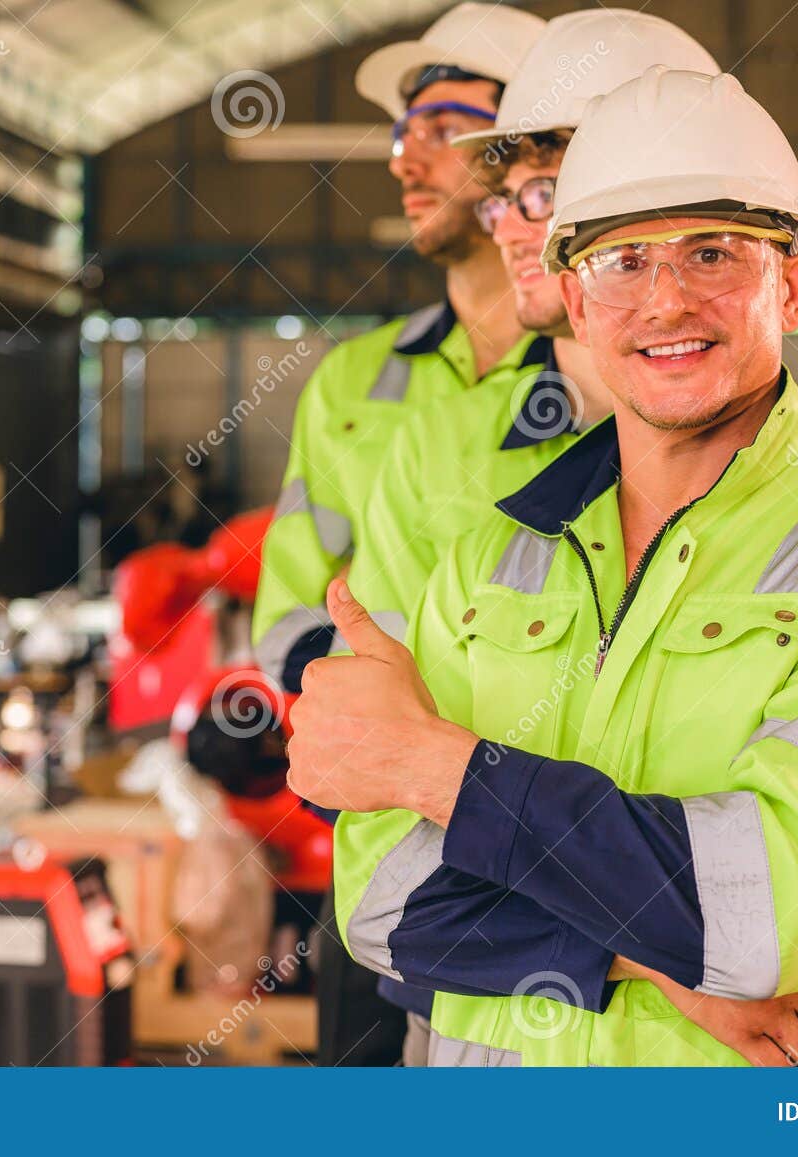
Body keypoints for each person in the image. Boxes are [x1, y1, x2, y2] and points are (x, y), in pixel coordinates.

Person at [288, 68, 798, 1067]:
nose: (665, 299)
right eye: (619, 261)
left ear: (790, 285)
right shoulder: (485, 563)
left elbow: (761, 919)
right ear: (572, 299)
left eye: (711, 252)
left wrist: (434, 765)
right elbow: (381, 907)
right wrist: (648, 960)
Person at [348, 8, 798, 650]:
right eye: (507, 197)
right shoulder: (433, 446)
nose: (508, 230)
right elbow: (383, 706)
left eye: (546, 192)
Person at [249, 2, 545, 1067]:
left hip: (544, 843)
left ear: (538, 153)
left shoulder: (616, 382)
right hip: (380, 858)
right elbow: (289, 607)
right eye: (399, 129)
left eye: (446, 122)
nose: (404, 155)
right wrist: (387, 723)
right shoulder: (355, 381)